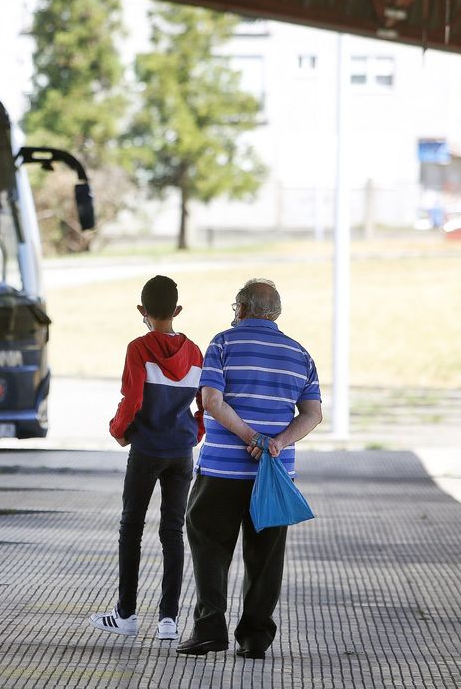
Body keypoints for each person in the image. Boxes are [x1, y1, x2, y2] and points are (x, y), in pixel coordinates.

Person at [177, 279, 323, 660]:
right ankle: (255, 638)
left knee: (209, 546)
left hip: (221, 472)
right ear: (276, 313)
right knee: (265, 557)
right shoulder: (300, 354)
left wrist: (249, 435)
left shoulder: (223, 343)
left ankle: (209, 630)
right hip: (274, 474)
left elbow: (210, 400)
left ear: (240, 308)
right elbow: (313, 414)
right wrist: (277, 442)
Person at [90, 275, 204, 641]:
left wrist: (118, 430)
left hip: (146, 450)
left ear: (142, 311)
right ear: (177, 311)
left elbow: (132, 399)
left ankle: (126, 614)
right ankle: (168, 621)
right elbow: (206, 405)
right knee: (172, 532)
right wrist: (193, 434)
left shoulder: (138, 348)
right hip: (180, 453)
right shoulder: (195, 352)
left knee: (131, 527)